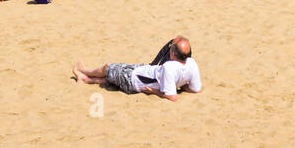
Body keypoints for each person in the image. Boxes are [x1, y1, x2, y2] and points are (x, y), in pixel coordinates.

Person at [73, 37, 202, 101]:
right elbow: (196, 89)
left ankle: (86, 71)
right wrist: (183, 86)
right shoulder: (192, 63)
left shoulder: (169, 67)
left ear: (173, 54)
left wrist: (153, 92)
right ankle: (86, 79)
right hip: (141, 71)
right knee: (110, 78)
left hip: (132, 79)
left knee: (108, 68)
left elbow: (172, 97)